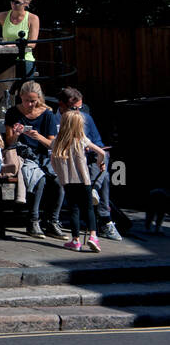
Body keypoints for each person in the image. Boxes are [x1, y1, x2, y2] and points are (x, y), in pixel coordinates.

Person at [56, 87, 119, 241]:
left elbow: (97, 143)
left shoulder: (85, 118)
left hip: (86, 158)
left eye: (80, 108)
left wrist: (94, 152)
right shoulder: (54, 119)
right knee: (102, 178)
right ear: (61, 105)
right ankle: (104, 218)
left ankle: (93, 192)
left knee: (105, 160)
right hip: (65, 162)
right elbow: (53, 146)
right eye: (73, 108)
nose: (78, 112)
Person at [4, 80, 63, 238]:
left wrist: (38, 137)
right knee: (39, 178)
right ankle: (33, 221)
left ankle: (53, 221)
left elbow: (51, 143)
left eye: (33, 101)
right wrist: (16, 134)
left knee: (59, 181)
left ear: (39, 99)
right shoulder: (12, 113)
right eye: (26, 100)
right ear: (20, 97)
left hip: (43, 154)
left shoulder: (47, 114)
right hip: (23, 154)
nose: (29, 104)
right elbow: (9, 143)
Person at [52, 110, 105, 252]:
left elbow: (53, 162)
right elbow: (102, 152)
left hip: (68, 181)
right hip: (84, 180)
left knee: (73, 209)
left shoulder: (56, 142)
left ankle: (75, 241)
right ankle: (93, 236)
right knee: (88, 208)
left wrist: (60, 174)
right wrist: (100, 163)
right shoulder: (82, 139)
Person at [0, 0, 39, 76]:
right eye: (12, 0)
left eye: (17, 2)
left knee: (24, 88)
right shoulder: (2, 16)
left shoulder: (33, 19)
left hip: (24, 59)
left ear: (26, 3)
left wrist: (12, 45)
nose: (13, 4)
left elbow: (32, 44)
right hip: (5, 57)